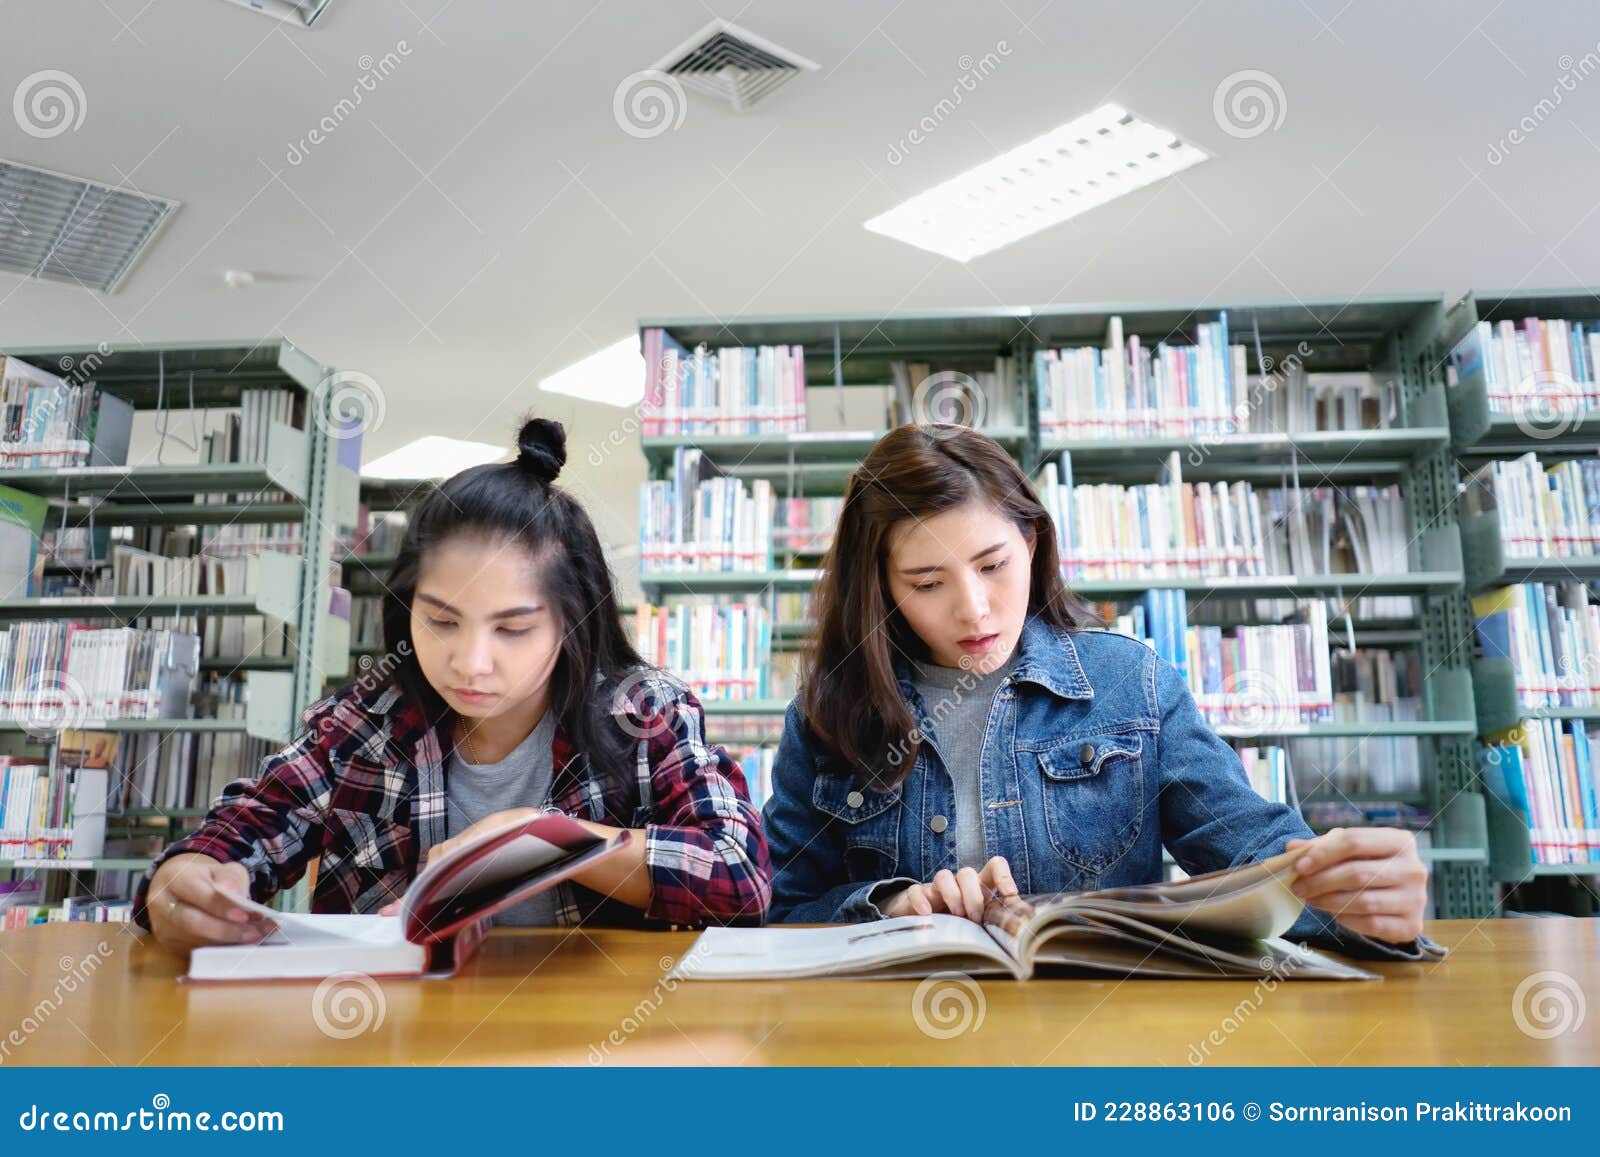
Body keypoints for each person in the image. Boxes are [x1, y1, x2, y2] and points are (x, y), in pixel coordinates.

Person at [763, 423, 1440, 960]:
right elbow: (780, 909)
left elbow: (1253, 852)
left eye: (993, 565)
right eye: (928, 582)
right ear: (882, 585)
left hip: (1108, 1043)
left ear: (1032, 542)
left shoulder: (1131, 683)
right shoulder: (828, 714)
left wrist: (1359, 900)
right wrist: (886, 908)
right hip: (895, 1049)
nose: (974, 609)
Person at [136, 418, 771, 951]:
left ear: (571, 621)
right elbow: (244, 827)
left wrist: (544, 839)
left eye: (513, 629)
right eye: (441, 620)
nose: (470, 663)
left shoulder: (644, 715)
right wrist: (184, 879)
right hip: (392, 1043)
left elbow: (741, 877)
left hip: (593, 1050)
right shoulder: (365, 722)